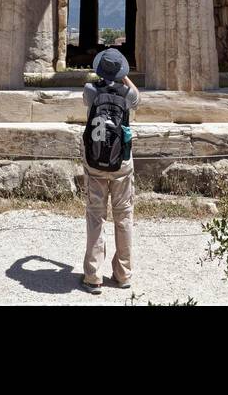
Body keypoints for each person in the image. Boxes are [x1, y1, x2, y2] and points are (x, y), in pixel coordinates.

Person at [80, 47, 138, 294]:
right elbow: (135, 94)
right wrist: (123, 76)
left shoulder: (90, 90)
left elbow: (90, 96)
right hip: (121, 162)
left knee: (96, 216)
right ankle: (123, 274)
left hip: (94, 161)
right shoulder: (128, 94)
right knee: (123, 217)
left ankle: (93, 276)